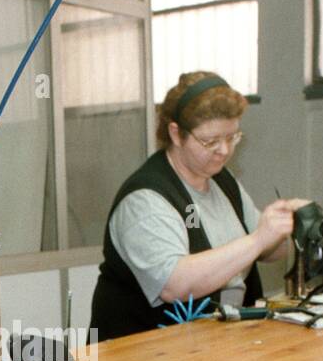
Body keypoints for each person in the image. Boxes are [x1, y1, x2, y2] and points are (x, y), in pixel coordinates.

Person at [90, 71, 309, 341]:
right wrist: (258, 239)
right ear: (176, 134)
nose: (224, 151)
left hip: (214, 345)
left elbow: (266, 249)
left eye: (232, 137)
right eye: (210, 141)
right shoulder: (144, 199)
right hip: (144, 358)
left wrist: (294, 228)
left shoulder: (222, 181)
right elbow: (174, 284)